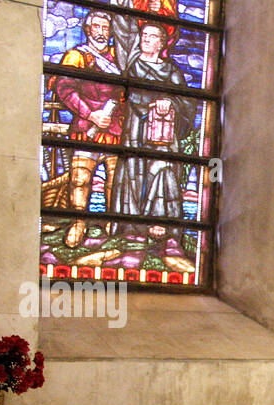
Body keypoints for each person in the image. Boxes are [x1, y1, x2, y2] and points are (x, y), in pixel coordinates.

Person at [110, 21, 196, 270]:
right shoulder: (134, 66)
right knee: (135, 175)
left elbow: (188, 104)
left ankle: (165, 230)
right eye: (143, 35)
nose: (145, 39)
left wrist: (171, 103)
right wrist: (154, 102)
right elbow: (129, 96)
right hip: (137, 131)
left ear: (162, 43)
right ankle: (134, 228)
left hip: (166, 137)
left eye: (152, 36)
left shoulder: (172, 71)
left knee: (163, 170)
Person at [51, 10, 124, 247]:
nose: (101, 32)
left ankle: (111, 222)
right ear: (88, 29)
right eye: (97, 27)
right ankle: (78, 222)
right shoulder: (77, 56)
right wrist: (90, 114)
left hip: (114, 128)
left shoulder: (119, 58)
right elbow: (64, 88)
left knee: (115, 181)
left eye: (105, 28)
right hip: (85, 127)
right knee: (80, 179)